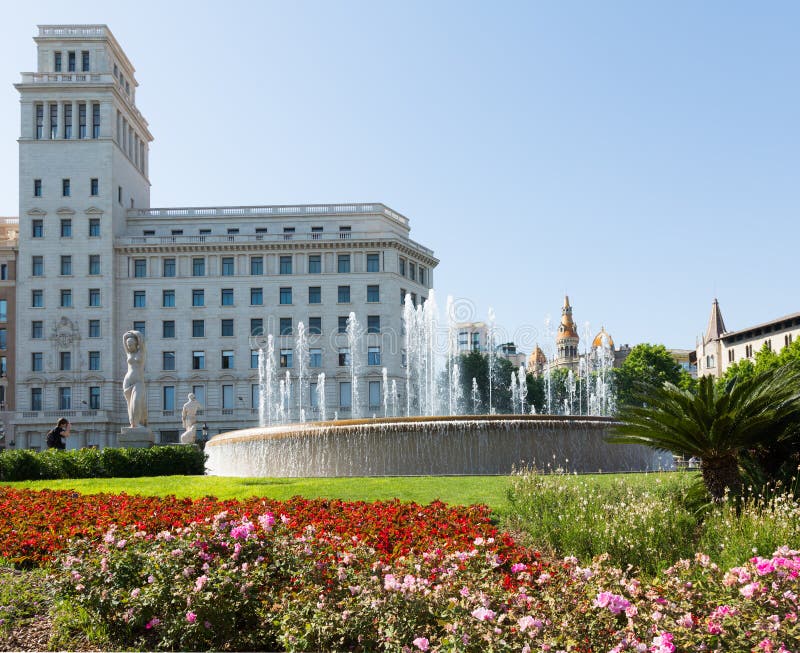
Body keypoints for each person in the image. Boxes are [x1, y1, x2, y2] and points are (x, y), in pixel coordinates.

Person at [122, 330, 148, 428]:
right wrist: (126, 335)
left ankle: (137, 423)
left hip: (138, 381)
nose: (129, 346)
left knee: (136, 401)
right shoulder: (128, 353)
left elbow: (141, 338)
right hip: (128, 381)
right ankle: (133, 423)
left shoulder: (141, 352)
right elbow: (123, 339)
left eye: (131, 344)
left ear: (136, 344)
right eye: (128, 345)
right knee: (130, 403)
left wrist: (132, 332)